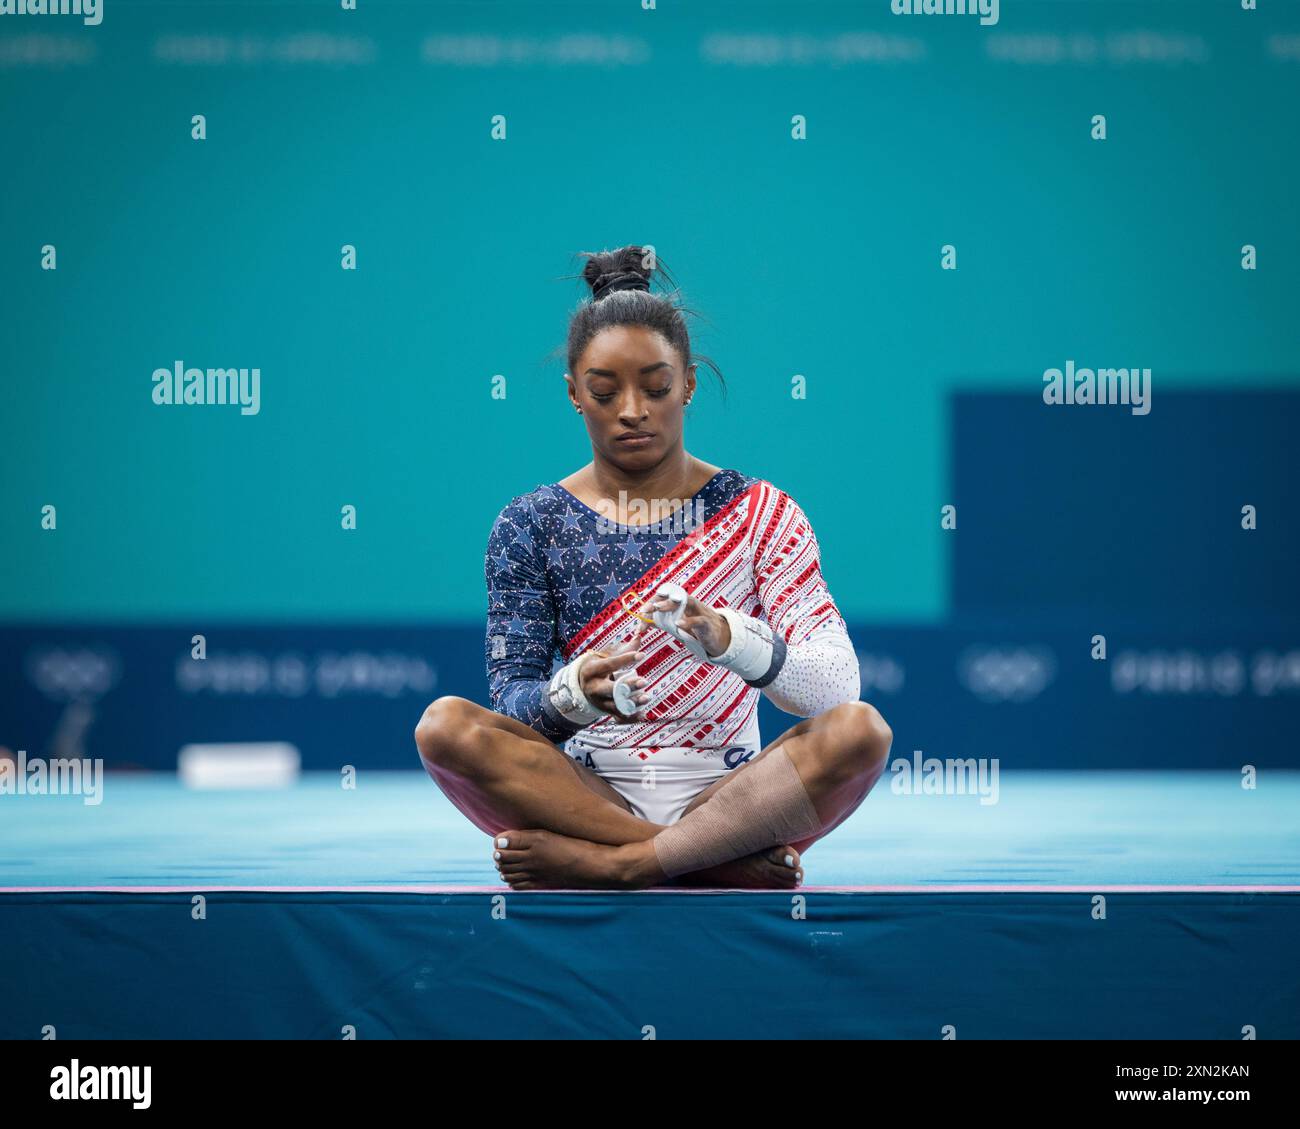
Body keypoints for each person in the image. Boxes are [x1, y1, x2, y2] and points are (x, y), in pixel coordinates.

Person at [415, 245, 892, 889]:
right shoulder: (530, 524)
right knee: (446, 727)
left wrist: (734, 641)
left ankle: (620, 866)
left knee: (860, 734)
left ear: (689, 383)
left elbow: (837, 692)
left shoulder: (761, 513)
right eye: (605, 392)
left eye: (657, 387)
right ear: (574, 395)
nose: (633, 410)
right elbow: (513, 704)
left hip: (732, 795)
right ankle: (703, 859)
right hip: (586, 799)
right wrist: (574, 694)